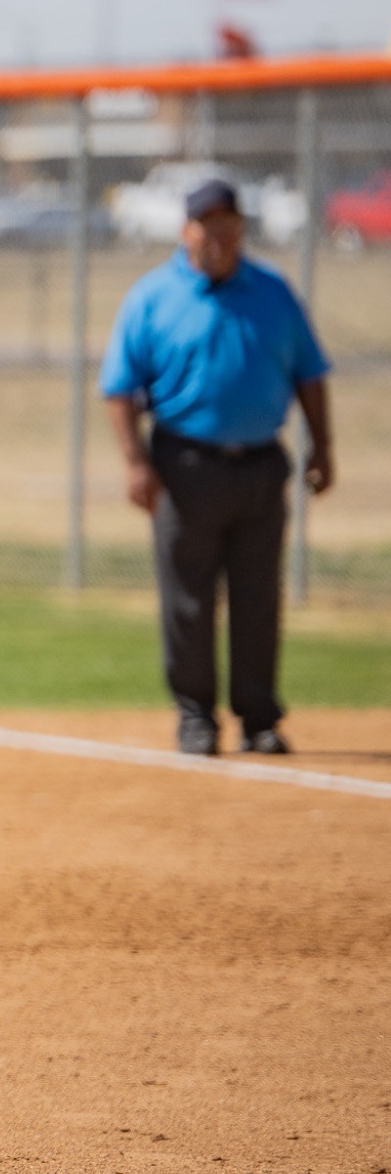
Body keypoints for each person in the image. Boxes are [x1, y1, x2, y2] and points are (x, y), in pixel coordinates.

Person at [101, 177, 334, 757]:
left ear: (241, 230)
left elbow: (309, 373)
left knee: (258, 598)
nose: (219, 237)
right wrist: (135, 463)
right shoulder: (154, 296)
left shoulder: (272, 291)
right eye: (207, 226)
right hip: (184, 465)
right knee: (188, 598)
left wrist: (323, 446)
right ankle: (195, 717)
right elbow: (120, 388)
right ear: (187, 231)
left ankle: (259, 719)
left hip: (261, 464)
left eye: (229, 226)